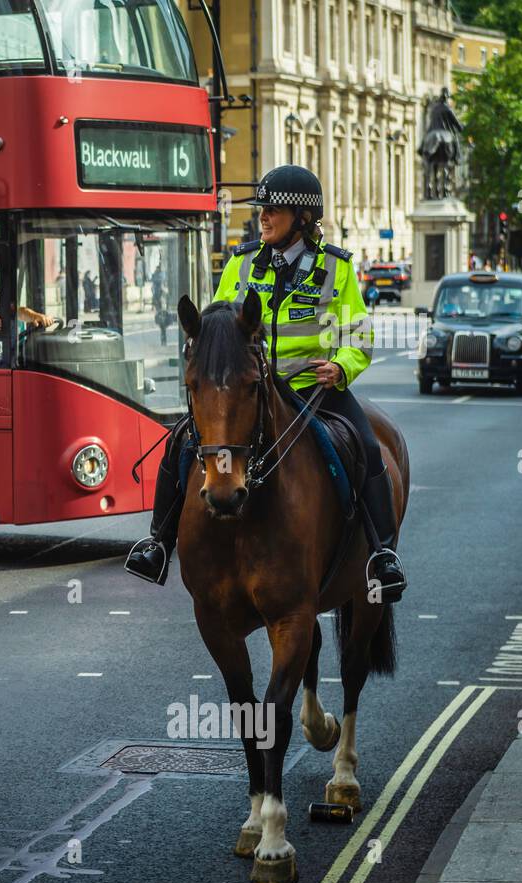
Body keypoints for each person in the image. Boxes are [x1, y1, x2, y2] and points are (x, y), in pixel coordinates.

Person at [126, 164, 407, 601]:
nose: (263, 217)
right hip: (249, 389)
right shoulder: (241, 263)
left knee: (367, 445)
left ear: (302, 219)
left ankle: (382, 554)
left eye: (273, 209)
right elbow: (219, 322)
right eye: (262, 208)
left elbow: (359, 335)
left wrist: (342, 367)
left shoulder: (335, 268)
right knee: (181, 440)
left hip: (314, 389)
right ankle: (157, 542)